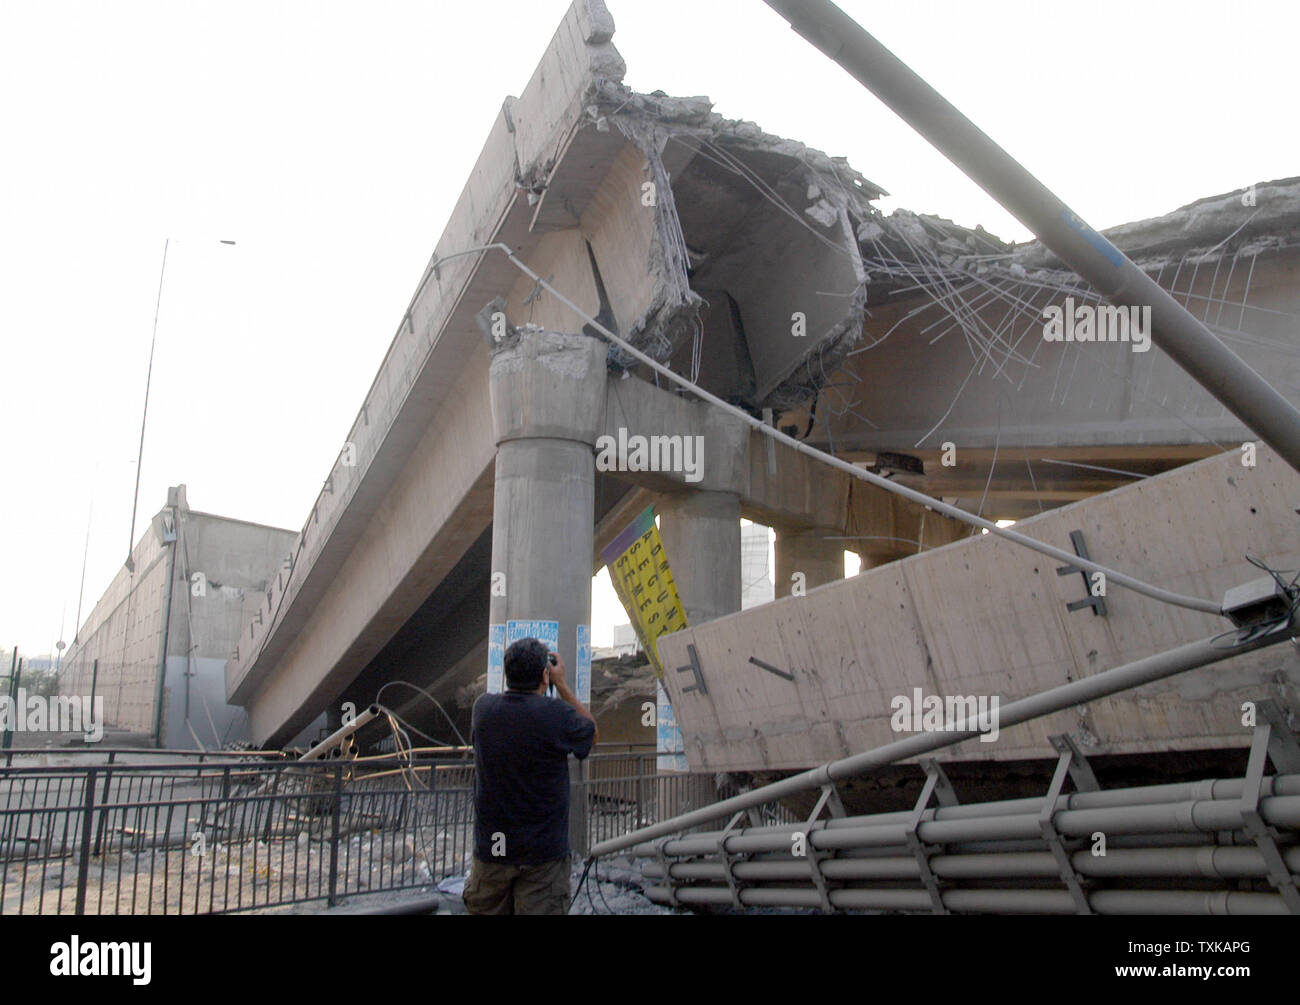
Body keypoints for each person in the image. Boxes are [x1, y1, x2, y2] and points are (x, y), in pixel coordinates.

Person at [464, 636, 598, 915]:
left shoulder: (483, 709)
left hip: (494, 850)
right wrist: (561, 685)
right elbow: (590, 732)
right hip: (542, 855)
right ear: (544, 675)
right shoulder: (556, 714)